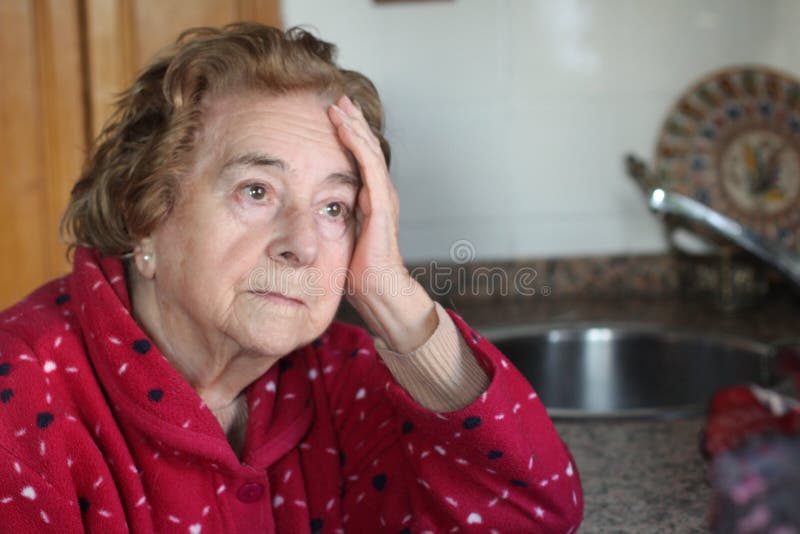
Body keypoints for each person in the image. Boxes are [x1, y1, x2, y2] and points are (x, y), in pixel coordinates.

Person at [0, 23, 582, 533]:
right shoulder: (21, 393)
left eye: (335, 208)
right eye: (257, 191)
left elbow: (533, 513)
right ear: (144, 214)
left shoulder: (342, 377)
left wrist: (390, 291)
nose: (302, 245)